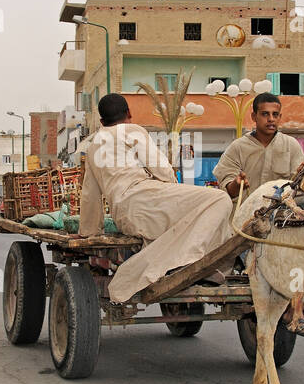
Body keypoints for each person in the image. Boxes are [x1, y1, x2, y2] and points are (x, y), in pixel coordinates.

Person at [79, 93, 235, 304]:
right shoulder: (132, 131)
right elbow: (161, 169)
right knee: (220, 200)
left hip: (125, 215)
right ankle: (191, 261)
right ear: (129, 114)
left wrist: (89, 232)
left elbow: (90, 196)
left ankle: (185, 260)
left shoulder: (92, 147)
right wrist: (173, 194)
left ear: (101, 122)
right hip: (147, 199)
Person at [213, 92, 304, 337]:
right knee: (259, 257)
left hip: (283, 222)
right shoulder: (238, 148)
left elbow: (301, 186)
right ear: (254, 116)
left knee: (302, 254)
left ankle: (297, 304)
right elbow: (226, 185)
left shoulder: (291, 146)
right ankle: (294, 306)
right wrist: (237, 183)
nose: (271, 119)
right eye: (265, 114)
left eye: (275, 114)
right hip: (246, 224)